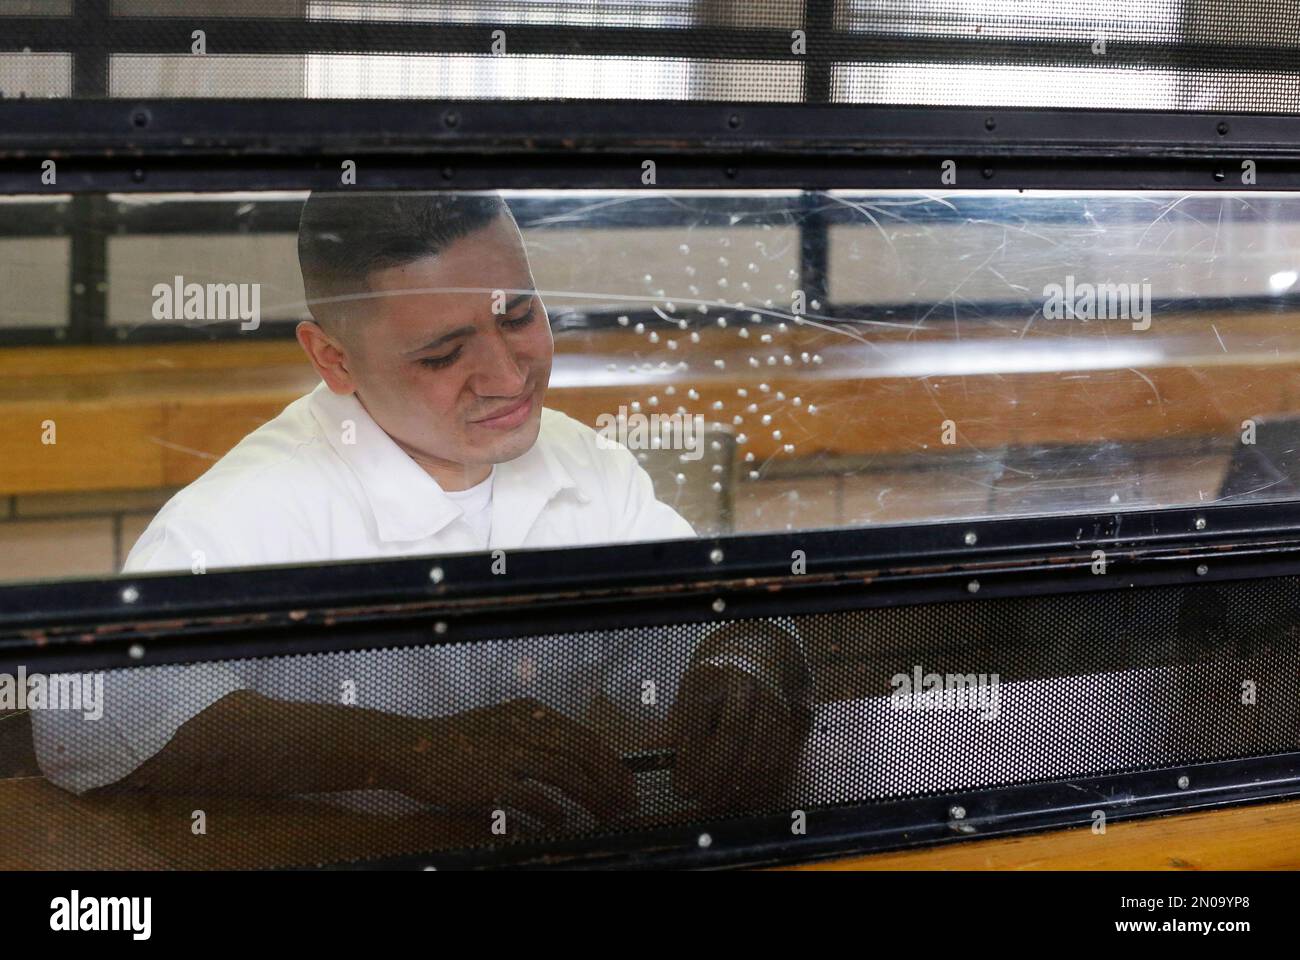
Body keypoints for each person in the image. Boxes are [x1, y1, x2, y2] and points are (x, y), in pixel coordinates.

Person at [31, 191, 810, 832]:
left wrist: (741, 660)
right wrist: (402, 752)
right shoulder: (249, 511)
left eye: (518, 317)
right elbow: (90, 715)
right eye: (443, 354)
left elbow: (711, 616)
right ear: (332, 359)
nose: (508, 377)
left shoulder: (586, 466)